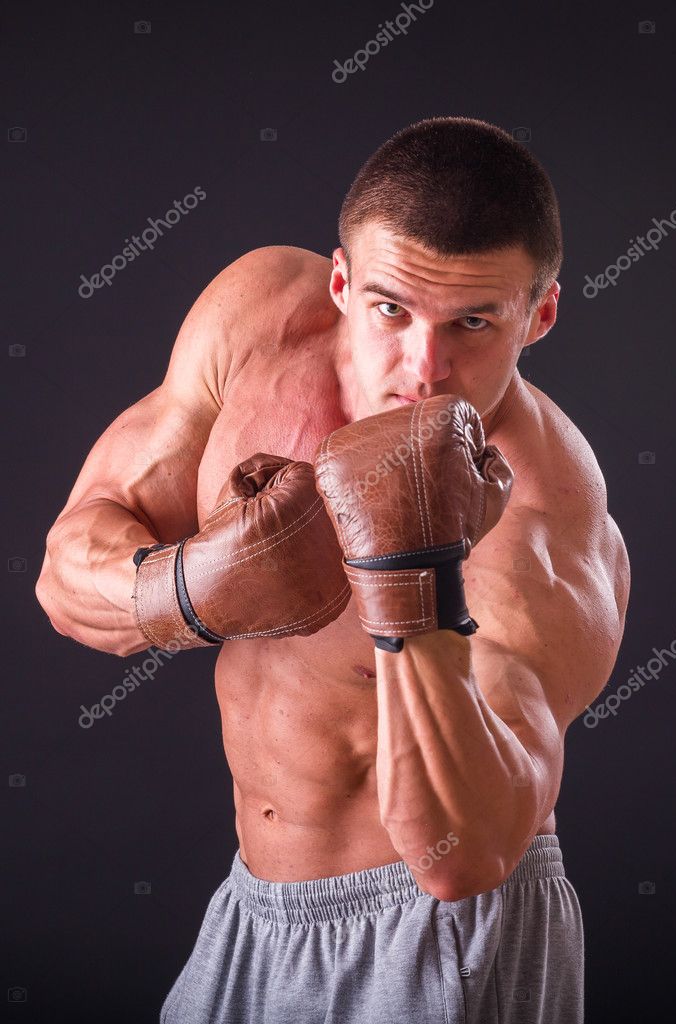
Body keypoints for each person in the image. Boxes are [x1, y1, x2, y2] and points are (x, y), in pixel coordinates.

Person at [36, 116, 630, 1023]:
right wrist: (194, 585)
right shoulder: (263, 320)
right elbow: (66, 577)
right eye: (392, 309)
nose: (424, 367)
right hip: (254, 909)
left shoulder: (547, 513)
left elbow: (467, 854)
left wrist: (412, 579)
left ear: (539, 315)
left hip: (441, 934)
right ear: (342, 282)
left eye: (474, 321)